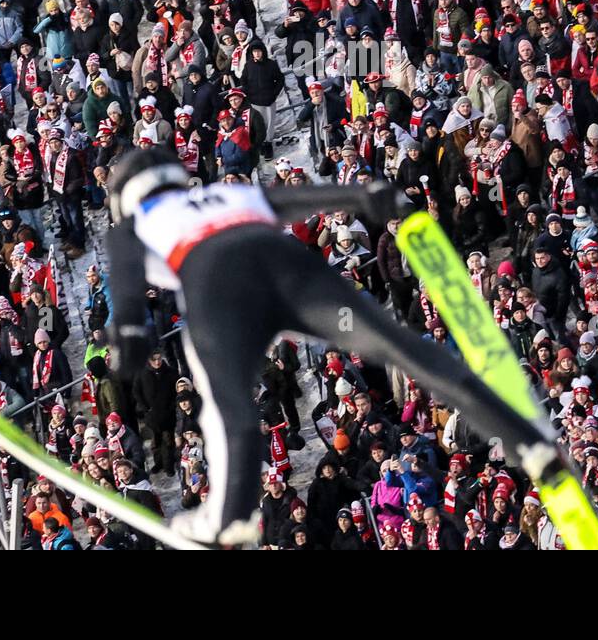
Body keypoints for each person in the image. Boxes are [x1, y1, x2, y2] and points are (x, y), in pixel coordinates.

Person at [103, 147, 570, 544]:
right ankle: (527, 439)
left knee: (229, 409)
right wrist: (371, 196)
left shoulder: (134, 222)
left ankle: (229, 517)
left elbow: (125, 283)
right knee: (400, 348)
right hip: (292, 276)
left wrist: (127, 330)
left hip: (220, 293)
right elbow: (301, 199)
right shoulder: (220, 192)